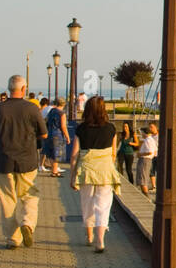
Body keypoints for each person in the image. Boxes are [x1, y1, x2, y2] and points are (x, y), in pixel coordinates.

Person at [0, 75, 47, 249]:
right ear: (24, 88)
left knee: (7, 200)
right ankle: (27, 223)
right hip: (27, 160)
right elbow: (43, 134)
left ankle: (13, 238)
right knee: (30, 195)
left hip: (5, 160)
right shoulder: (32, 108)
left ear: (9, 88)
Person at [70, 95, 120, 251]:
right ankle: (100, 240)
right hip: (105, 171)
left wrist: (72, 176)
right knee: (103, 206)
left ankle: (89, 235)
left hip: (86, 171)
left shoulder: (81, 129)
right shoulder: (111, 128)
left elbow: (74, 155)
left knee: (87, 204)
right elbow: (113, 153)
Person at [43, 98, 70, 177]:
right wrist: (67, 137)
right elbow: (63, 126)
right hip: (57, 135)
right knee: (57, 154)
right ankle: (55, 172)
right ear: (64, 104)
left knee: (51, 153)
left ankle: (53, 170)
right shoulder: (61, 113)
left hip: (50, 133)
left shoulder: (51, 111)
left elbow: (46, 121)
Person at [135, 124, 156, 195]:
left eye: (141, 133)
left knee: (142, 180)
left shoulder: (148, 140)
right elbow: (155, 151)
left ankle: (146, 196)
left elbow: (150, 152)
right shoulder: (151, 139)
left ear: (144, 133)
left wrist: (140, 154)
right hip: (148, 160)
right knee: (143, 179)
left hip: (144, 160)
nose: (141, 134)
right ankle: (145, 195)